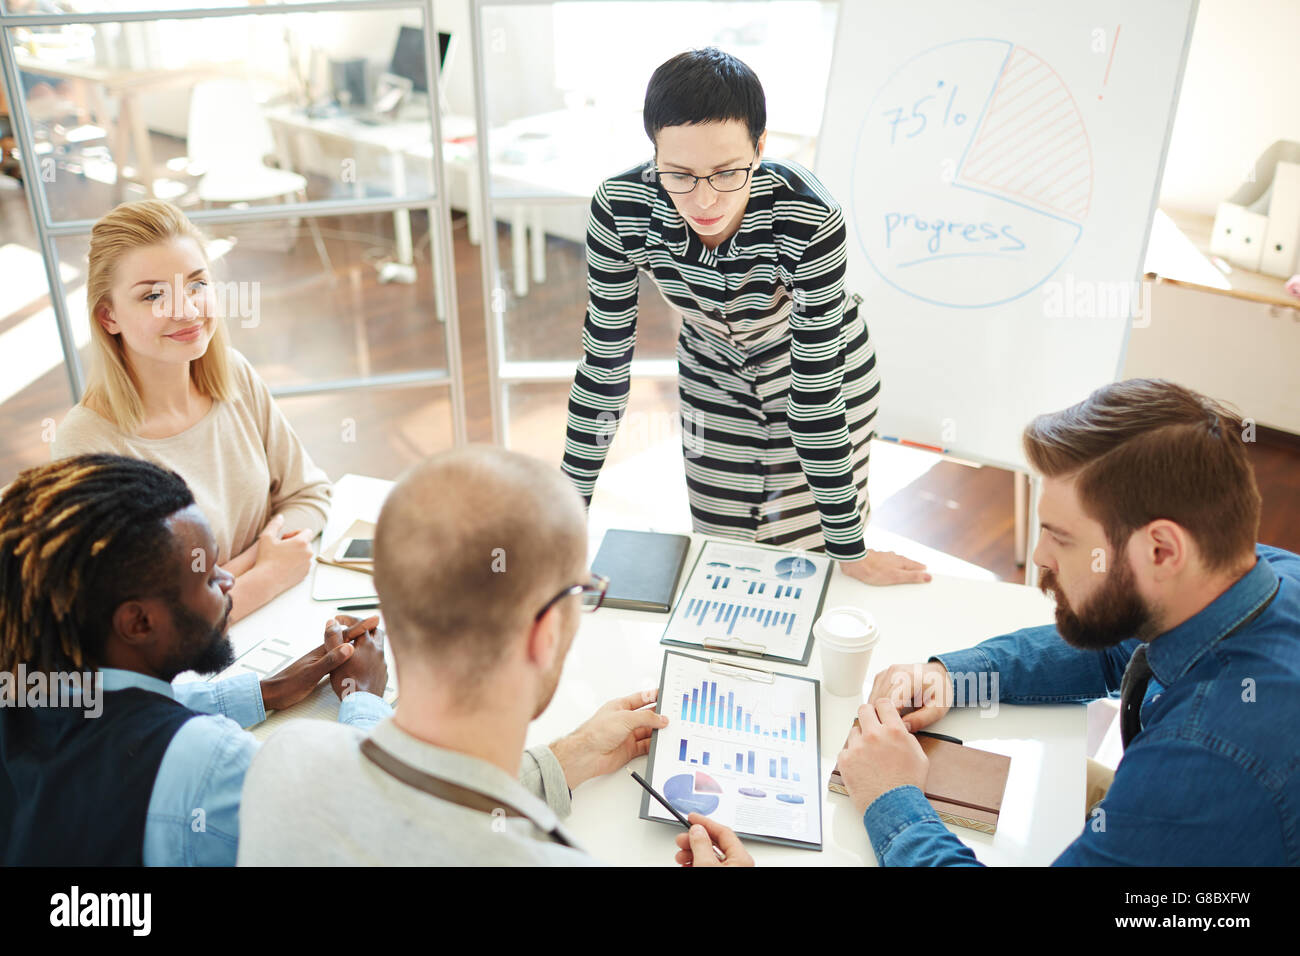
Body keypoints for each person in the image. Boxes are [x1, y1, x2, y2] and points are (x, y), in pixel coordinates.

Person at [835, 379, 1300, 865]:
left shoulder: (1205, 759)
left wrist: (893, 799)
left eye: (1061, 537)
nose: (1039, 556)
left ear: (1162, 550)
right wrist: (955, 677)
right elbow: (1119, 649)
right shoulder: (1244, 570)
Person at [237, 445, 754, 866]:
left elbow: (422, 810)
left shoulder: (284, 761)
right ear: (543, 634)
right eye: (582, 591)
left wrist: (566, 758)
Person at [562, 48, 928, 587]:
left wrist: (850, 549)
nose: (704, 199)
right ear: (654, 153)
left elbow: (814, 397)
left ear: (760, 148)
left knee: (812, 561)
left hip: (821, 371)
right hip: (712, 369)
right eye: (679, 174)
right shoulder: (621, 209)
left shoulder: (809, 216)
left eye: (726, 172)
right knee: (721, 553)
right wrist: (564, 528)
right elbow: (604, 369)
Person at [0, 454, 390, 866]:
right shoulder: (207, 761)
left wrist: (265, 691)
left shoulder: (26, 680)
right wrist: (364, 696)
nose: (228, 580)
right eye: (207, 578)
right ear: (138, 623)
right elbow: (358, 823)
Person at [51, 199, 331, 622]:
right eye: (153, 295)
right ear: (109, 317)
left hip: (282, 617)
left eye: (197, 284)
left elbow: (309, 494)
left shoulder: (234, 375)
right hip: (202, 658)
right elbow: (139, 627)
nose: (186, 310)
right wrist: (268, 573)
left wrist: (218, 583)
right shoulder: (86, 445)